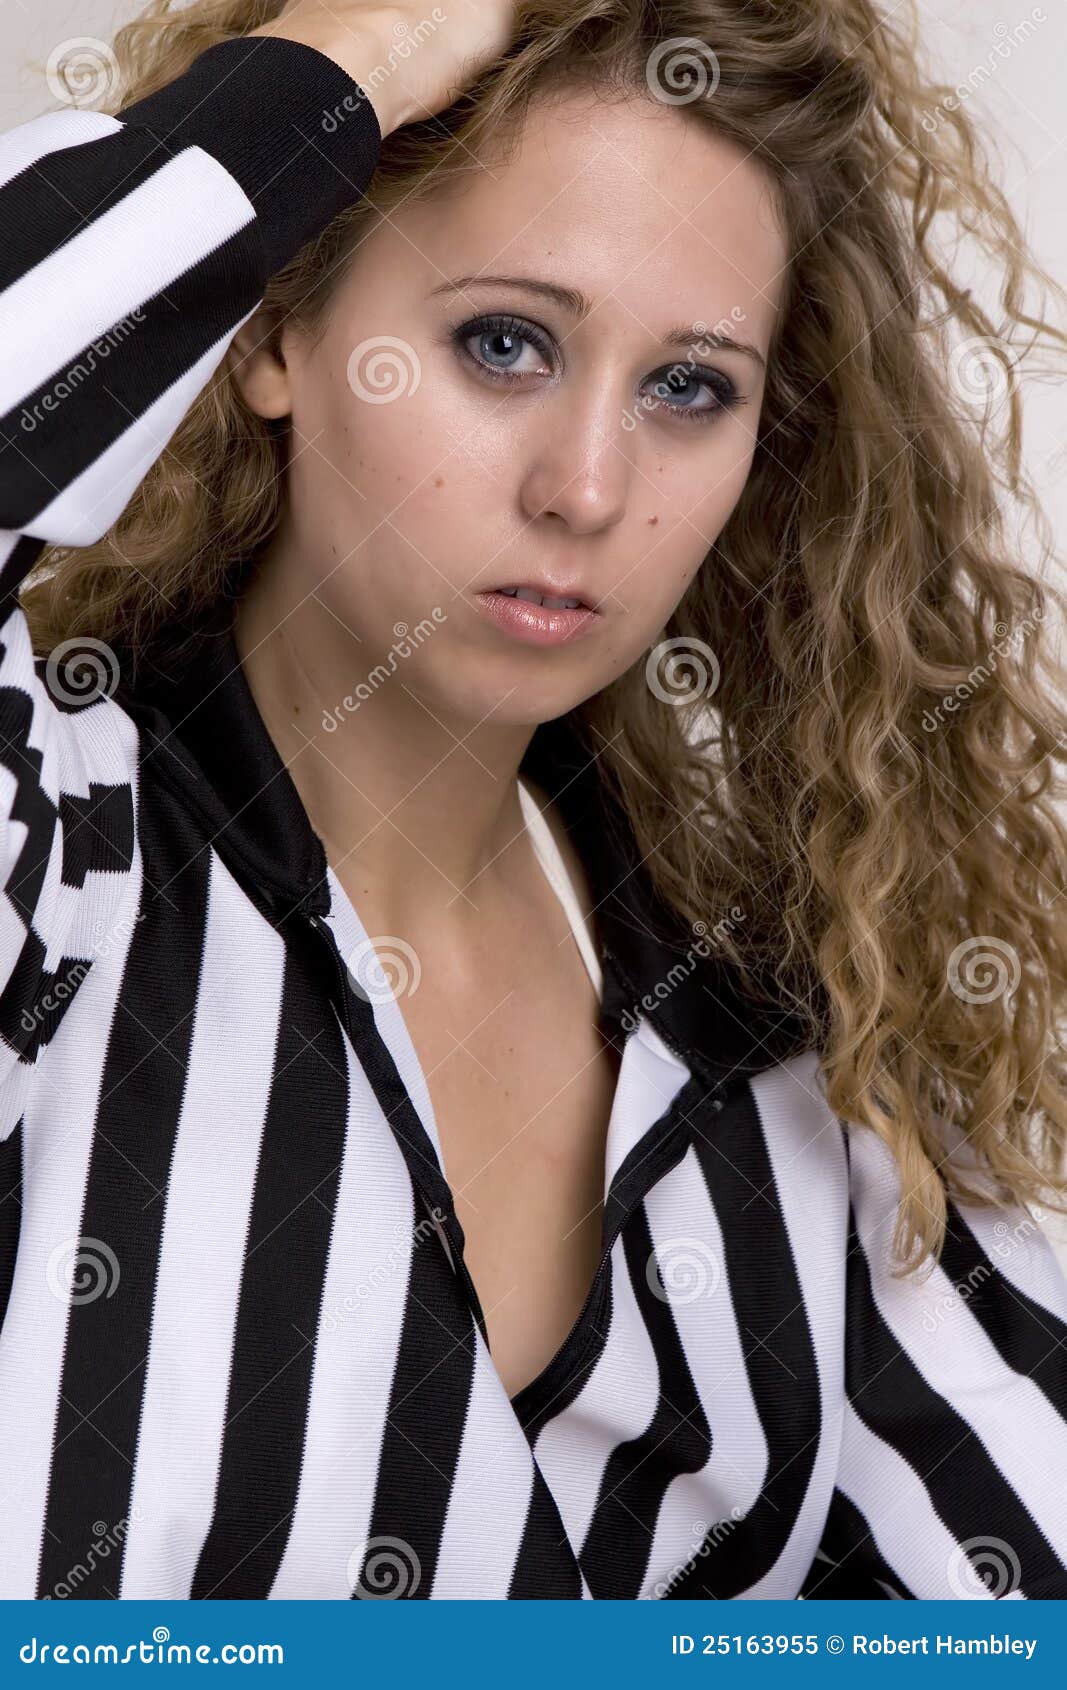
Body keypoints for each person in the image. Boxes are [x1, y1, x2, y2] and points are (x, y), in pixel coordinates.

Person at [1, 0, 1066, 1601]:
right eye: (504, 342)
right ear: (275, 330)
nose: (586, 486)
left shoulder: (788, 1054)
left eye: (689, 388)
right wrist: (345, 72)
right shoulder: (61, 866)